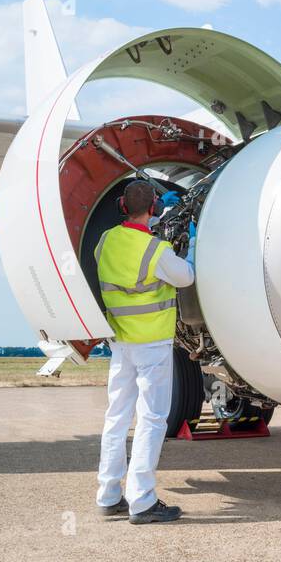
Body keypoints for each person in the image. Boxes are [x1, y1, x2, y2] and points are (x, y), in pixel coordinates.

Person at [93, 181, 195, 524]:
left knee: (117, 415)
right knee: (151, 418)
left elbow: (126, 253)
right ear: (153, 208)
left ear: (122, 205)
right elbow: (185, 277)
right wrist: (191, 244)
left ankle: (109, 494)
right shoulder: (156, 250)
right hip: (151, 343)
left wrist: (152, 222)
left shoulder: (106, 241)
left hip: (120, 343)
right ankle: (142, 500)